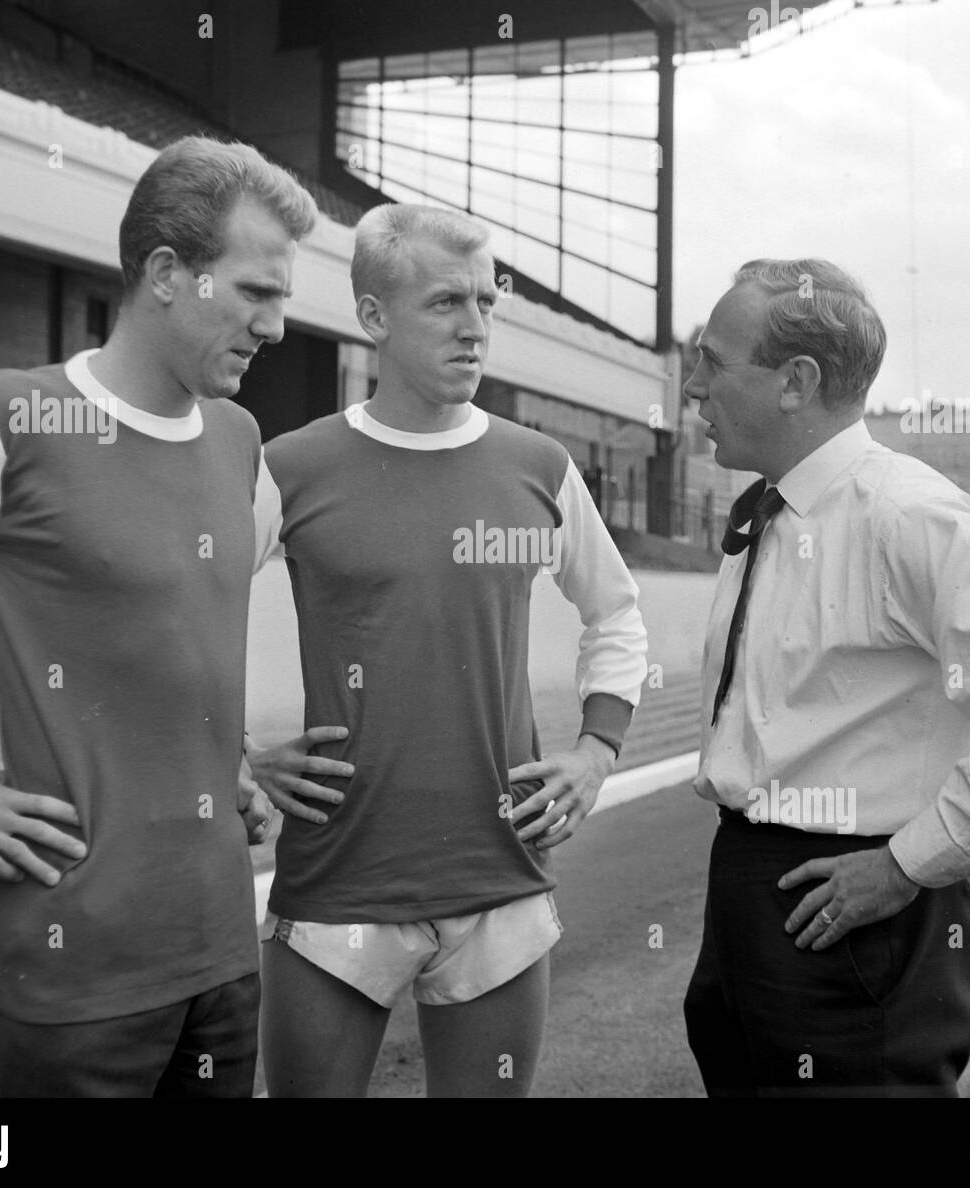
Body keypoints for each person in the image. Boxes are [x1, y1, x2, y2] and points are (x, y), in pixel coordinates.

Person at [0, 135, 326, 1096]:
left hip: (221, 960)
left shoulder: (240, 441)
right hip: (63, 979)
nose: (277, 326)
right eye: (254, 293)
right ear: (166, 273)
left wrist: (223, 757)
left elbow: (170, 639)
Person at [681, 258, 970, 1097]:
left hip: (853, 904)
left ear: (795, 382)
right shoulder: (777, 509)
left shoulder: (907, 516)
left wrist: (907, 864)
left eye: (712, 360)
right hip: (752, 885)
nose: (693, 386)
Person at [248, 203, 648, 1097]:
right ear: (374, 317)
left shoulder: (538, 467)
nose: (475, 329)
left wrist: (595, 751)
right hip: (338, 883)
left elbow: (617, 616)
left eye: (487, 303)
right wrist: (231, 757)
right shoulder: (292, 465)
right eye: (444, 305)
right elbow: (178, 608)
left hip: (498, 877)